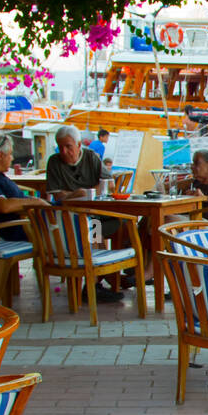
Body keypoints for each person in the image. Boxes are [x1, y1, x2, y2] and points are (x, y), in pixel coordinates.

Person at [45, 124, 141, 299]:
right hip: (69, 221)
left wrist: (87, 192)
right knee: (94, 230)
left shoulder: (91, 157)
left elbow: (109, 183)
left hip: (94, 215)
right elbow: (57, 195)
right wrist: (79, 193)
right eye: (61, 147)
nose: (64, 151)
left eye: (69, 147)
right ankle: (95, 284)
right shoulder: (54, 162)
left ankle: (112, 274)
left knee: (125, 225)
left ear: (79, 145)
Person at [0, 133, 51, 242]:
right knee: (65, 229)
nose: (12, 158)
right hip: (13, 231)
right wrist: (36, 202)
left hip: (18, 226)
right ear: (0, 155)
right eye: (10, 154)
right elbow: (3, 205)